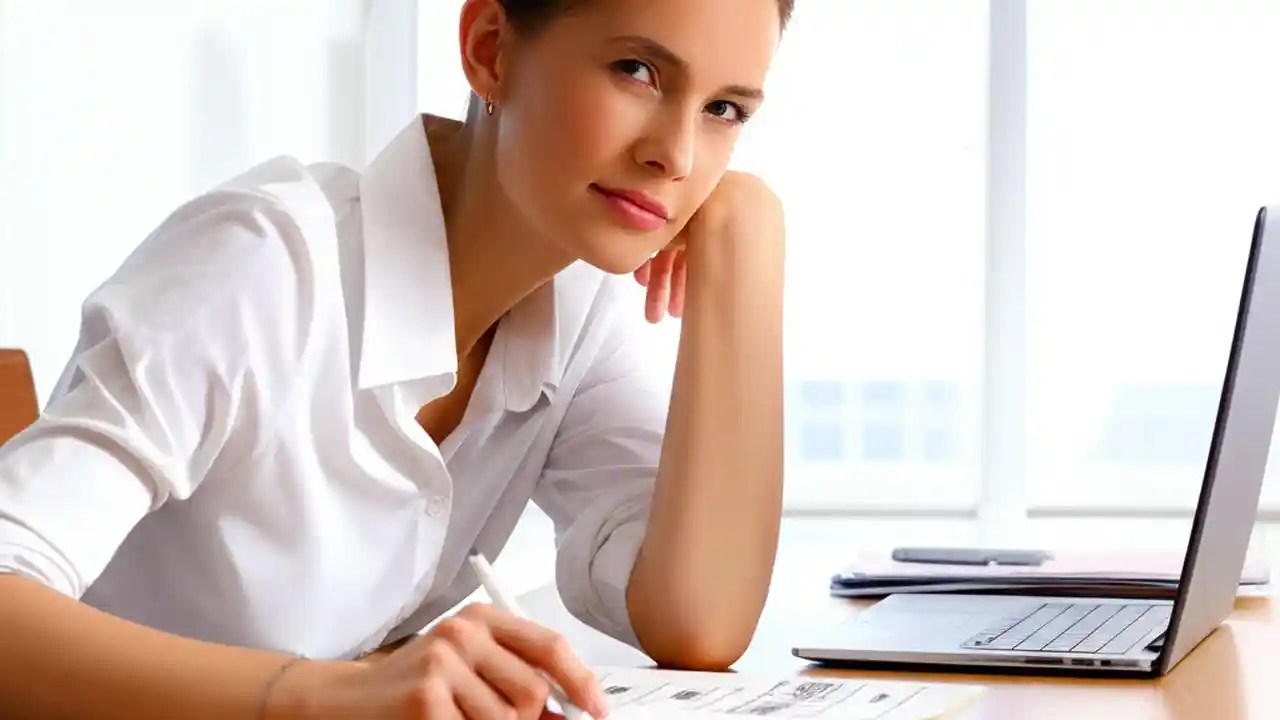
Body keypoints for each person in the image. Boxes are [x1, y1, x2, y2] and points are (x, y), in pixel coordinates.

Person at [0, 0, 790, 717]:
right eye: (637, 70)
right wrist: (326, 698)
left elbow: (697, 622)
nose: (678, 155)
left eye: (725, 109)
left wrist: (745, 236)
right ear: (490, 50)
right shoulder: (260, 267)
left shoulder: (577, 319)